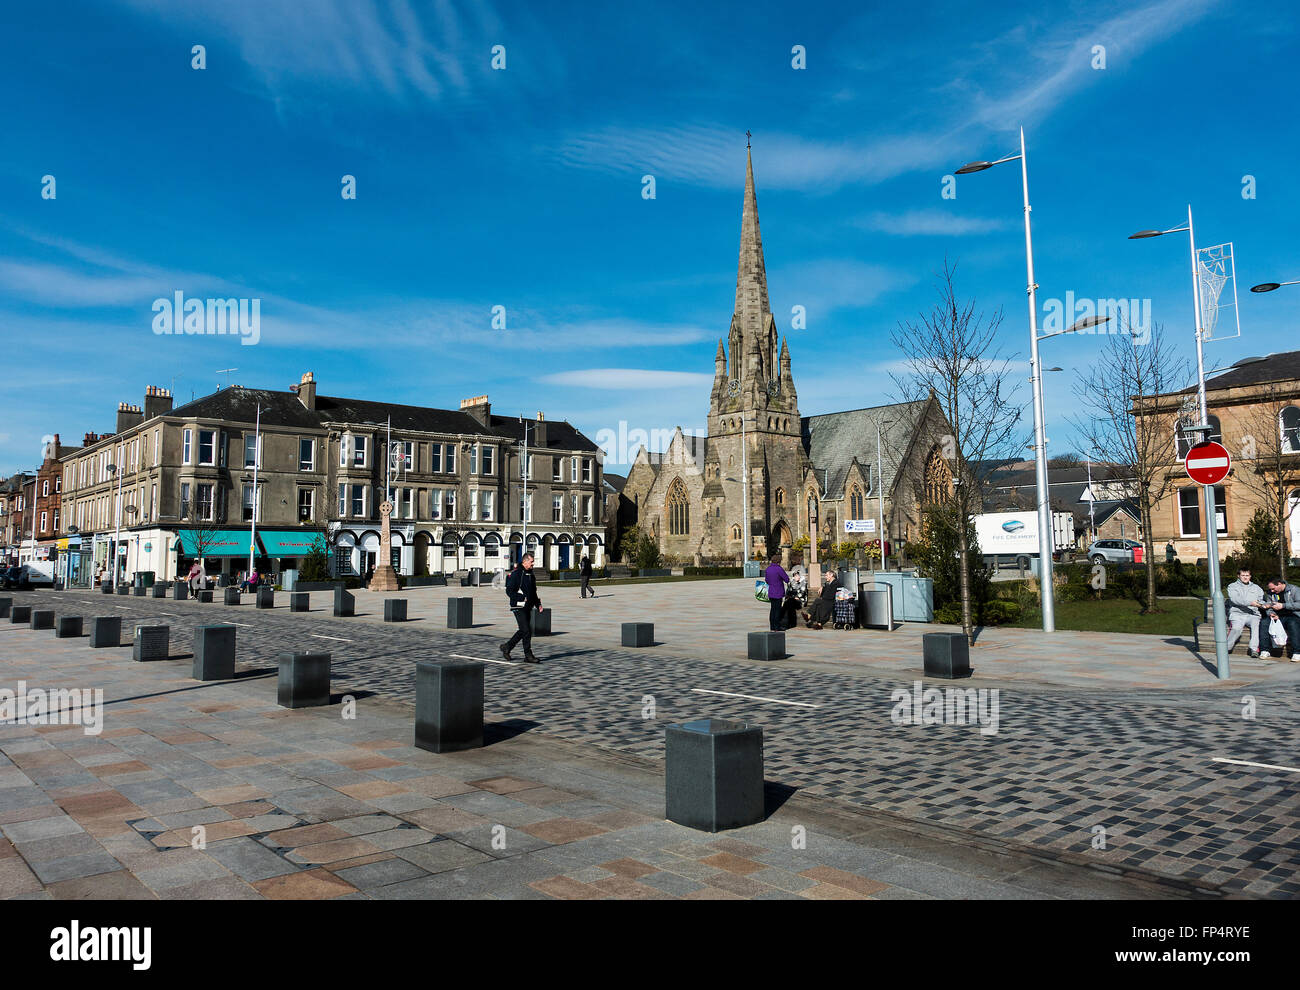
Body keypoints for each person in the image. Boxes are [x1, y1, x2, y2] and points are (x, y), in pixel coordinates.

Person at [501, 552, 542, 663]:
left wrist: (538, 604)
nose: (533, 563)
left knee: (523, 630)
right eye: (531, 561)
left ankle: (507, 647)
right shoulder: (516, 574)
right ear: (525, 561)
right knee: (526, 630)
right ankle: (528, 655)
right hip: (517, 606)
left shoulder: (531, 574)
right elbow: (509, 591)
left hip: (527, 606)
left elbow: (533, 592)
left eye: (533, 561)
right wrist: (521, 597)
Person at [1226, 568, 1268, 659]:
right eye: (1243, 575)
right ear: (1238, 576)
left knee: (1256, 626)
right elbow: (1235, 599)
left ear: (1250, 576)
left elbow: (1261, 600)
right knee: (1236, 628)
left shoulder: (1256, 588)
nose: (1245, 577)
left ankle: (1254, 649)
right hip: (1237, 614)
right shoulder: (1232, 586)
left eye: (1247, 575)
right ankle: (1226, 648)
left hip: (1252, 614)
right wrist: (1250, 602)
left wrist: (1264, 605)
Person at [1262, 576, 1300, 661]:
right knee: (1264, 622)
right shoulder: (1270, 593)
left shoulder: (1294, 590)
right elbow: (1269, 605)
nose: (1272, 591)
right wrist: (1271, 613)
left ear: (1279, 584)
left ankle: (1297, 652)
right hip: (1277, 617)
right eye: (1270, 589)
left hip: (1293, 615)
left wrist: (1283, 605)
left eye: (1273, 588)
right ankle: (1265, 650)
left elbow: (1299, 604)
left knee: (1293, 623)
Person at [763, 552, 791, 631]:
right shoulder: (779, 569)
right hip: (778, 592)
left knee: (773, 609)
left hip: (771, 592)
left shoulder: (768, 569)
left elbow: (767, 580)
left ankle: (772, 626)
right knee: (777, 610)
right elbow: (787, 579)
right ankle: (777, 627)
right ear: (779, 561)